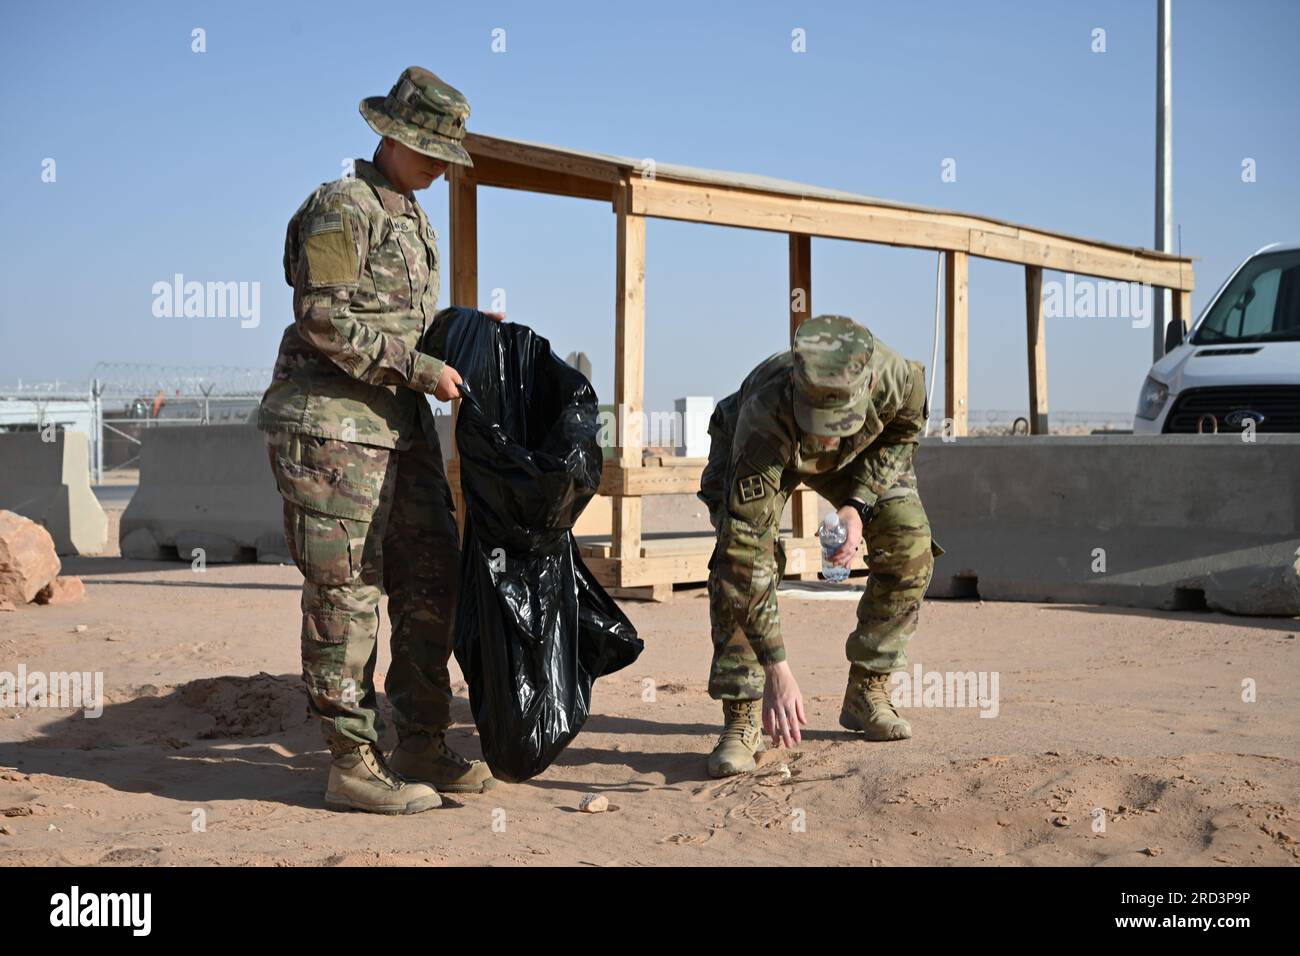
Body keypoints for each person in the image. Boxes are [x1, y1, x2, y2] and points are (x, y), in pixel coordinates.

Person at [258, 66, 496, 814]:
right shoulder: (342, 206)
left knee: (432, 578)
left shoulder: (414, 218)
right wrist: (419, 366)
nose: (436, 165)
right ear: (388, 135)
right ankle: (351, 762)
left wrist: (458, 336)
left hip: (399, 429)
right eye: (426, 148)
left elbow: (397, 320)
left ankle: (420, 739)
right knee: (347, 594)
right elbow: (321, 318)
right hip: (332, 429)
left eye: (444, 154)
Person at [698, 314, 941, 778]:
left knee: (910, 542)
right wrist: (777, 669)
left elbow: (903, 434)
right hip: (766, 450)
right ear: (794, 381)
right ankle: (742, 717)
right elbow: (743, 556)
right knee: (748, 561)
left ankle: (867, 690)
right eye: (819, 419)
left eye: (837, 418)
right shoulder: (764, 413)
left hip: (858, 458)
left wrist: (858, 505)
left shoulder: (900, 380)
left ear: (869, 384)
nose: (825, 432)